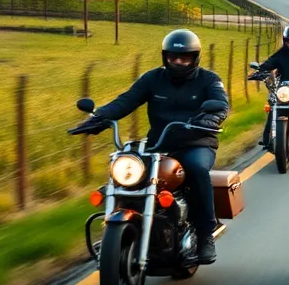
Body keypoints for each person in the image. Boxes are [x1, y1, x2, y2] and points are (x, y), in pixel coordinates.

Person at [71, 30, 229, 264]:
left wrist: (211, 119)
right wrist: (99, 118)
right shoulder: (153, 78)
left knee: (196, 169)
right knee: (129, 173)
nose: (177, 62)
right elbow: (126, 100)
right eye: (172, 57)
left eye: (183, 58)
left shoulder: (209, 79)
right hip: (158, 144)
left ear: (195, 57)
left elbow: (220, 104)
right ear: (165, 56)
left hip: (197, 143)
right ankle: (119, 231)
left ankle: (205, 234)